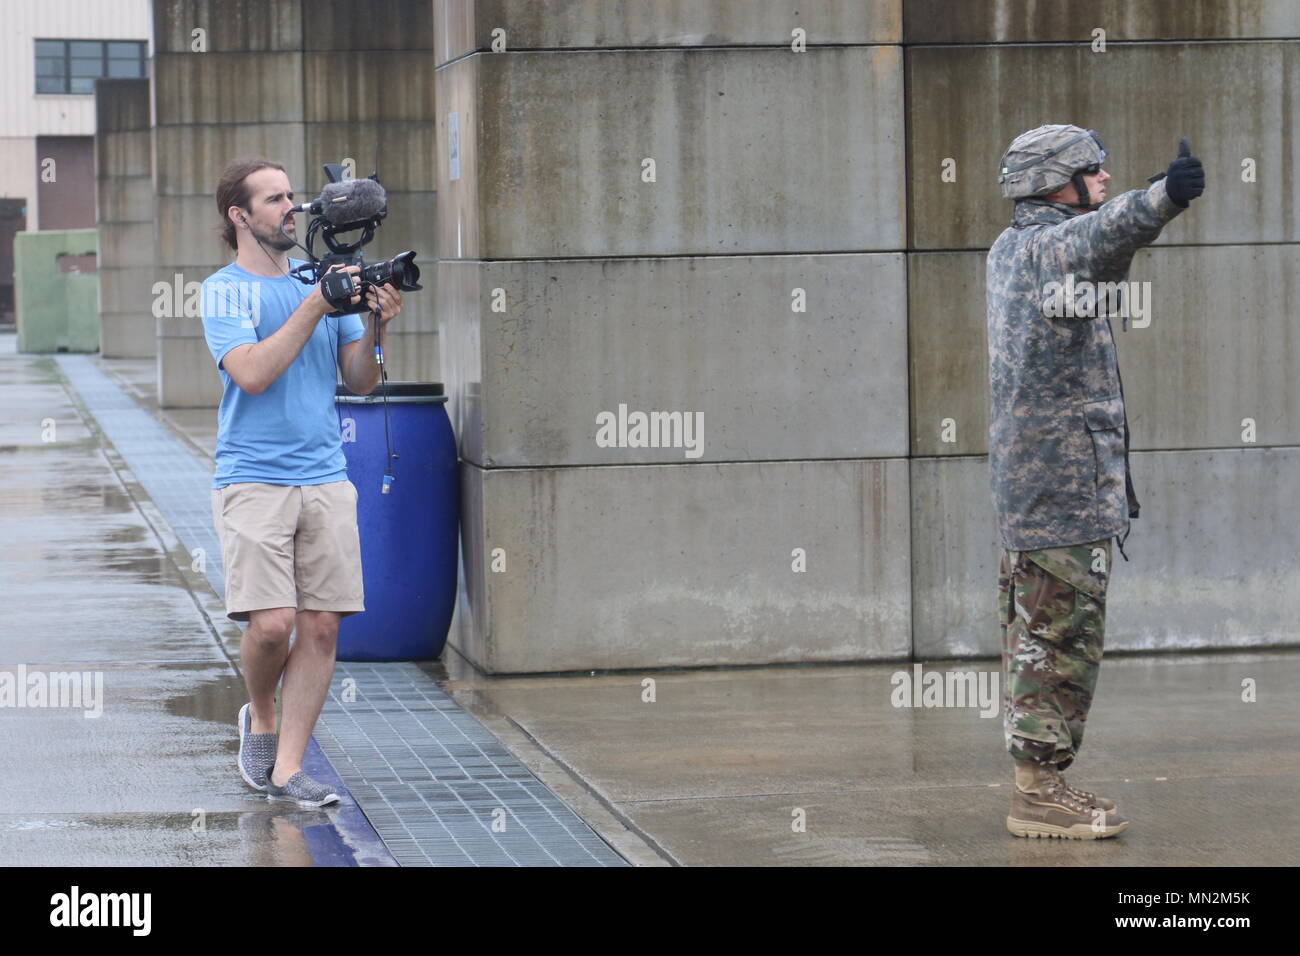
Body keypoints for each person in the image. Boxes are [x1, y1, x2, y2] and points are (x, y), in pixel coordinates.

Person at [986, 126, 1204, 838]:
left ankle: (1039, 783)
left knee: (1041, 636)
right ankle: (1038, 794)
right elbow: (1106, 234)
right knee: (1060, 640)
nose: (1105, 177)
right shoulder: (1051, 247)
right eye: (1091, 169)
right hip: (1060, 494)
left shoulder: (1014, 248)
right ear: (1056, 182)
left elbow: (1099, 249)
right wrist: (1164, 197)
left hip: (1046, 489)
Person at [200, 158, 404, 808]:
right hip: (253, 477)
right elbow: (253, 373)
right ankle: (260, 711)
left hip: (325, 475)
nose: (293, 207)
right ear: (239, 215)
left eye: (293, 195)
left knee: (320, 628)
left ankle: (289, 768)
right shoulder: (224, 291)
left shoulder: (327, 281)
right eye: (275, 198)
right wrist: (316, 302)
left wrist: (374, 324)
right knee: (271, 626)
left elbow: (363, 381)